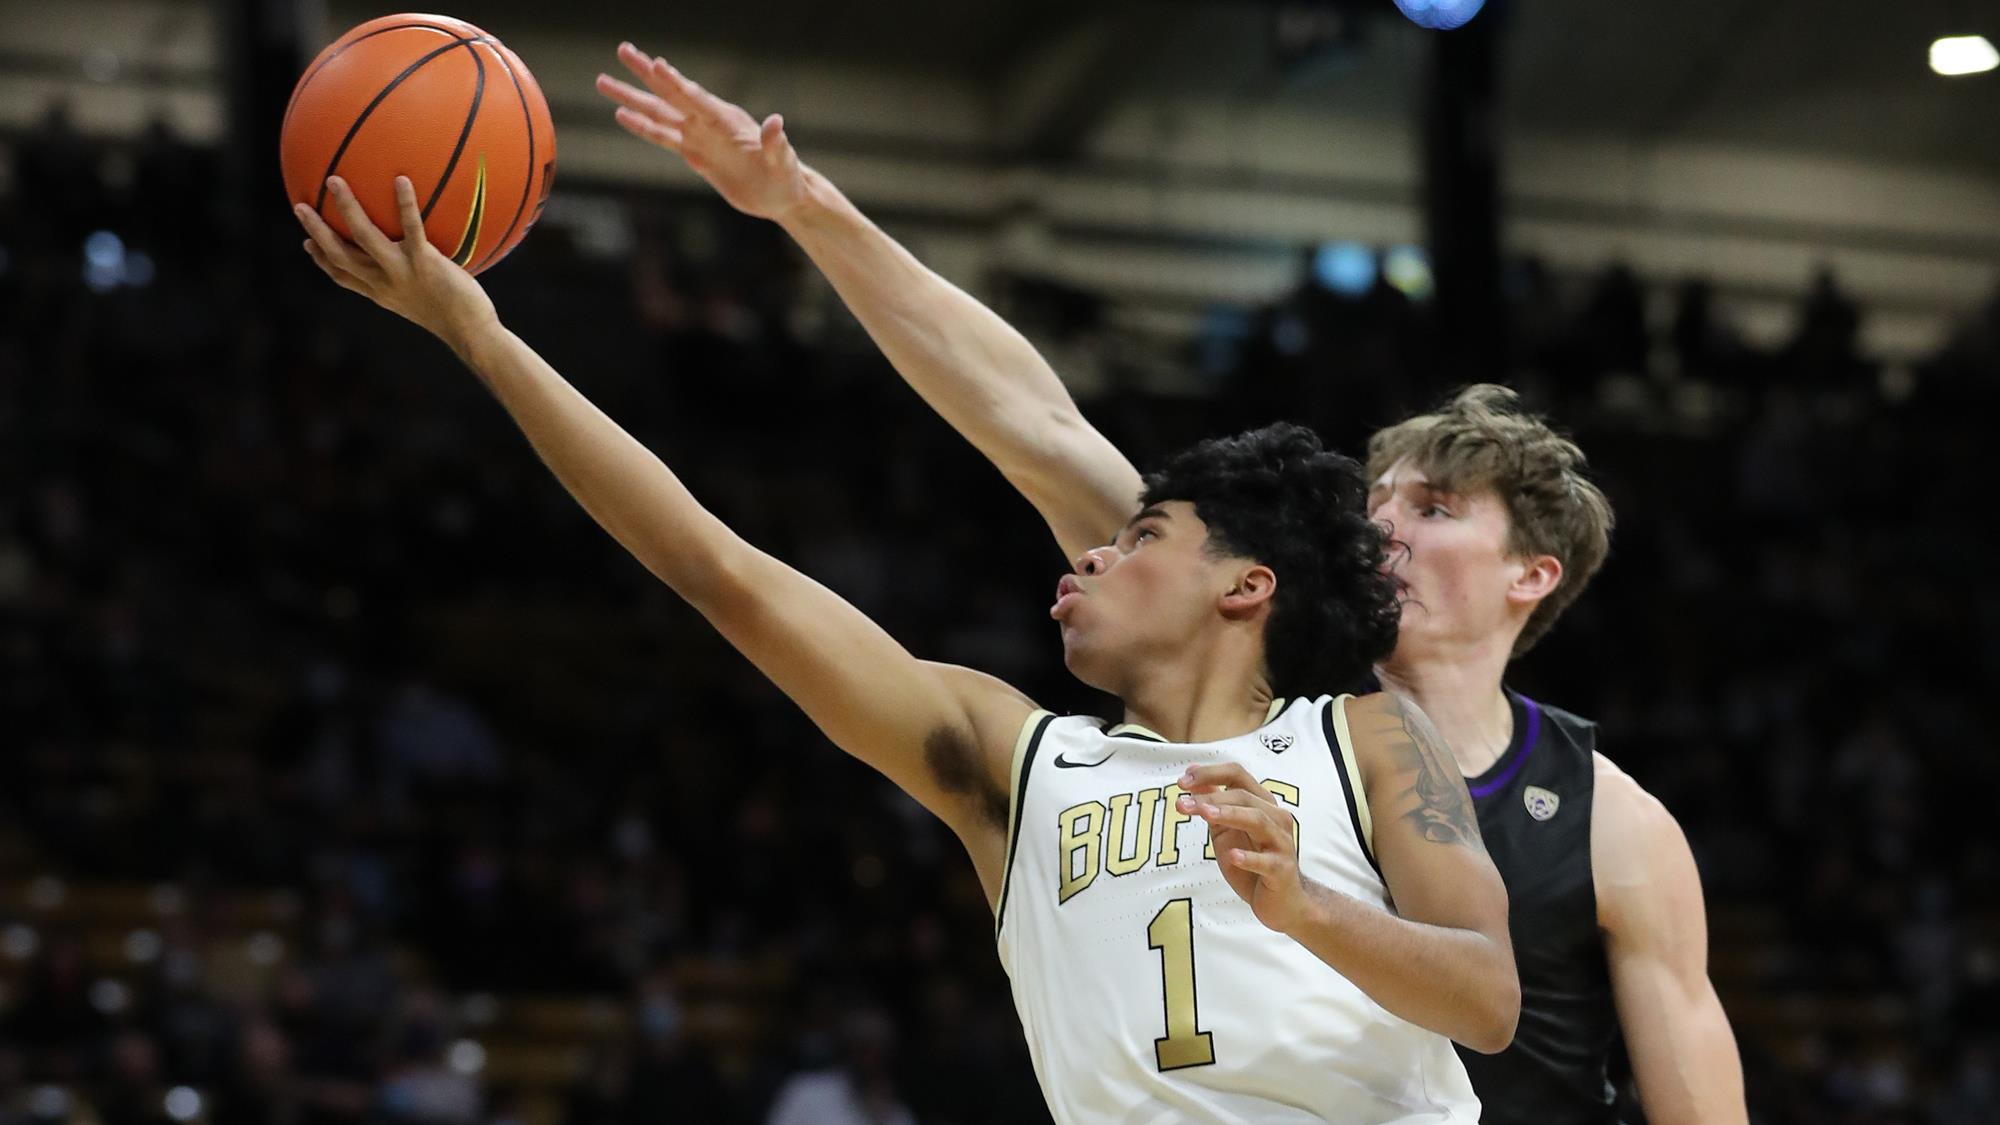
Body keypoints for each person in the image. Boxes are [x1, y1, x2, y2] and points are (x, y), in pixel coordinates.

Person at [596, 45, 1748, 1124]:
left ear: (1528, 578)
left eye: (1432, 508)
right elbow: (1027, 421)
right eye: (1377, 489)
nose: (1379, 515)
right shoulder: (1256, 642)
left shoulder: (1615, 824)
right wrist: (805, 204)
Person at [292, 176, 1518, 1123]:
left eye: (1139, 536)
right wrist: (480, 335)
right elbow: (717, 569)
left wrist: (1303, 904)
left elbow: (1486, 998)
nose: (1087, 556)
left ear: (1246, 588)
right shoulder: (1012, 763)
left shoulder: (1356, 735)